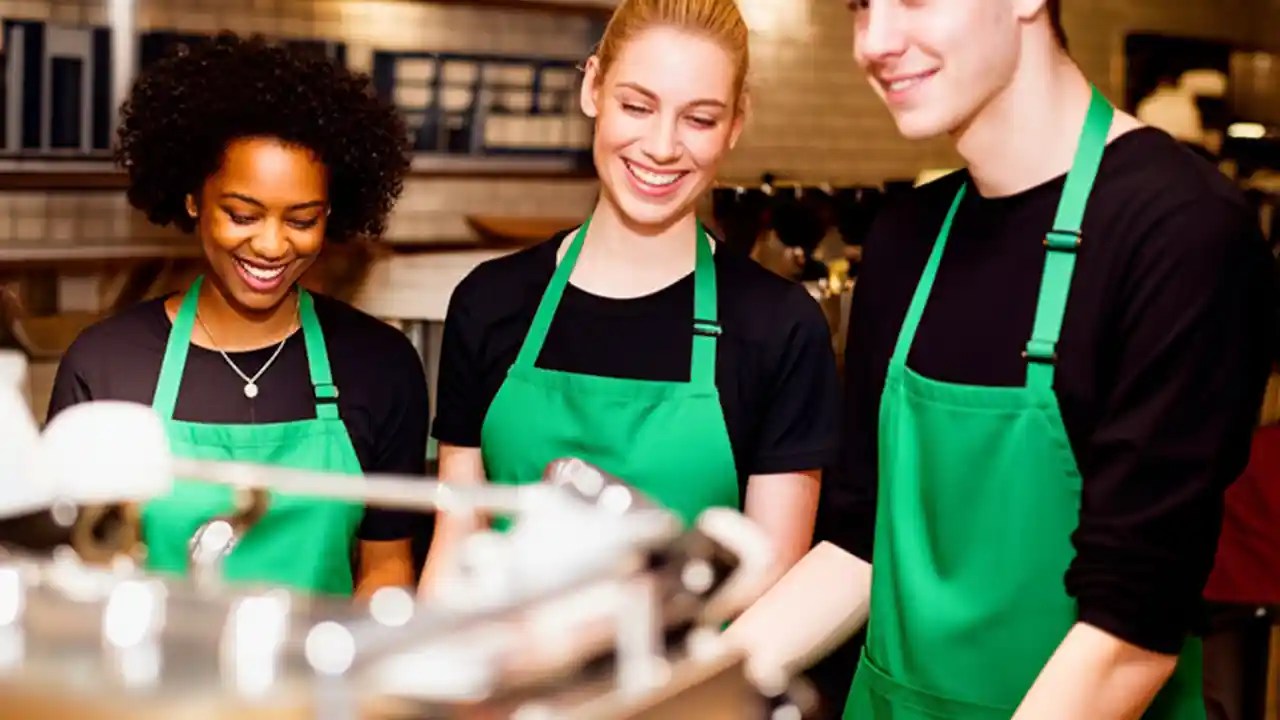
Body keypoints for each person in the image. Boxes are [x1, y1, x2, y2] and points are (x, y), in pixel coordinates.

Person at [723, 1, 1275, 718]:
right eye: (861, 5)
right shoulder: (906, 238)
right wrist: (677, 695)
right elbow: (859, 545)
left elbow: (1130, 632)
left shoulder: (1181, 234)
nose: (876, 42)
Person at [419, 0, 840, 594]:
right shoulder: (490, 302)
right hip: (508, 677)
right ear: (593, 86)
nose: (662, 147)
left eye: (700, 119)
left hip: (691, 682)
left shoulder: (778, 326)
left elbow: (769, 591)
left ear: (736, 123)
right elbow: (457, 544)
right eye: (637, 106)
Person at [48, 33, 429, 599]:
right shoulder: (106, 365)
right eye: (242, 213)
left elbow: (386, 567)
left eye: (302, 220)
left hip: (321, 680)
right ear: (194, 199)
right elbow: (76, 574)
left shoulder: (379, 365)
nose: (272, 245)